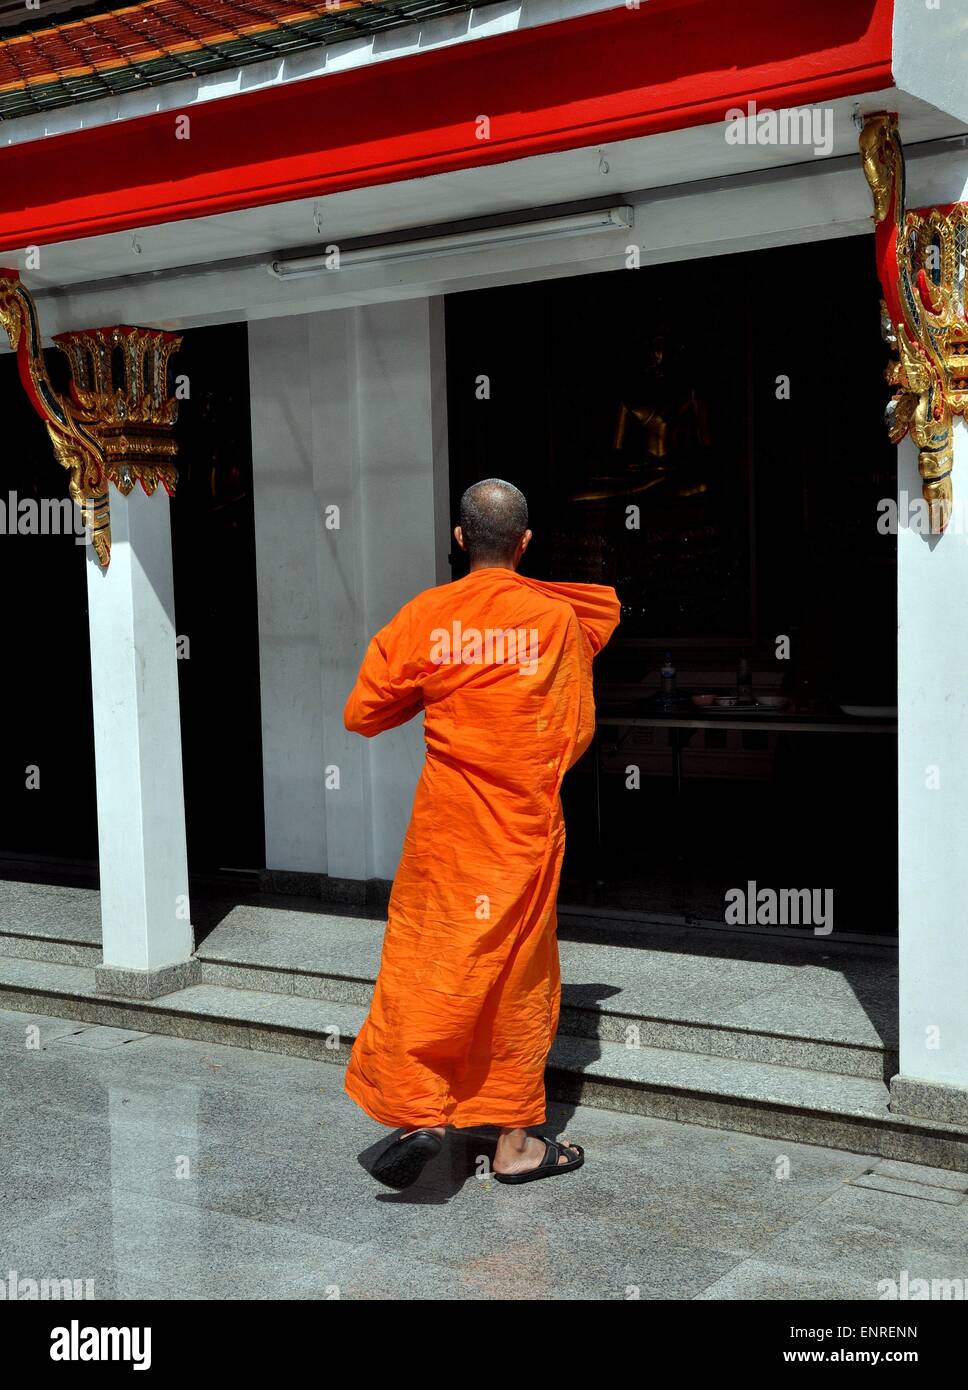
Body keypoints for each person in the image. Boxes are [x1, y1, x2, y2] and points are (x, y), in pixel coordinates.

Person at [343, 478, 620, 1188]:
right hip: (522, 828)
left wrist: (439, 685)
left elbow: (364, 713)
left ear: (460, 539)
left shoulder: (429, 616)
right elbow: (574, 730)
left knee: (432, 965)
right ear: (526, 543)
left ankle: (423, 1108)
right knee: (517, 981)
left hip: (447, 830)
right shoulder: (555, 621)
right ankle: (516, 1145)